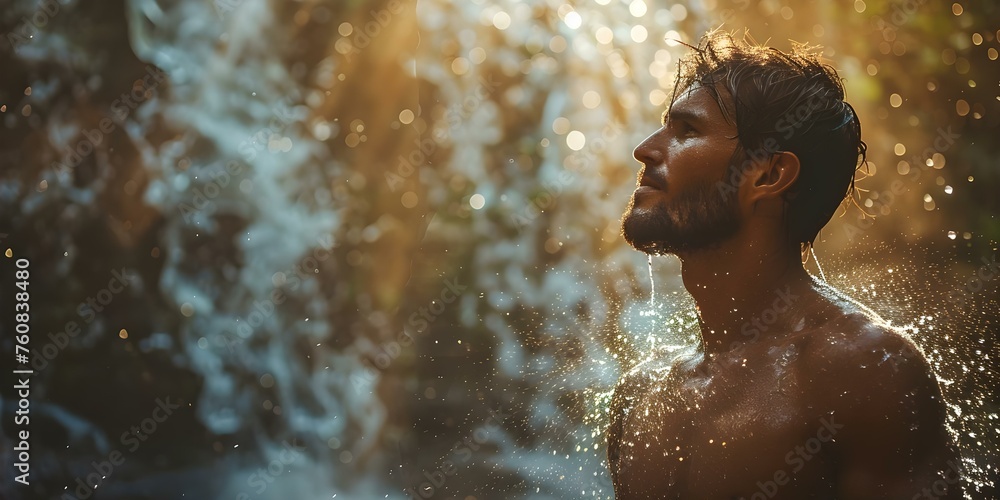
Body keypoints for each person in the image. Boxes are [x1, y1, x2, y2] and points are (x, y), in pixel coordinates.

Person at [607, 31, 962, 499]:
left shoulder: (862, 370)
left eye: (687, 131)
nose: (646, 149)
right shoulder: (641, 393)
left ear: (770, 174)